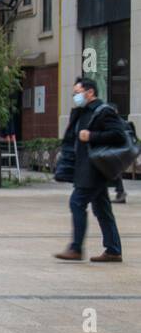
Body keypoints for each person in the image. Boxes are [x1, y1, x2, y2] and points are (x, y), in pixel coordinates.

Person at [54, 76, 125, 262]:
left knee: (77, 202)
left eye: (77, 93)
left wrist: (92, 135)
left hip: (95, 169)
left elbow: (118, 135)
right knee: (102, 209)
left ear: (90, 92)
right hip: (86, 167)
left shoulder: (104, 111)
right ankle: (113, 250)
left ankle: (76, 248)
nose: (75, 97)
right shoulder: (81, 111)